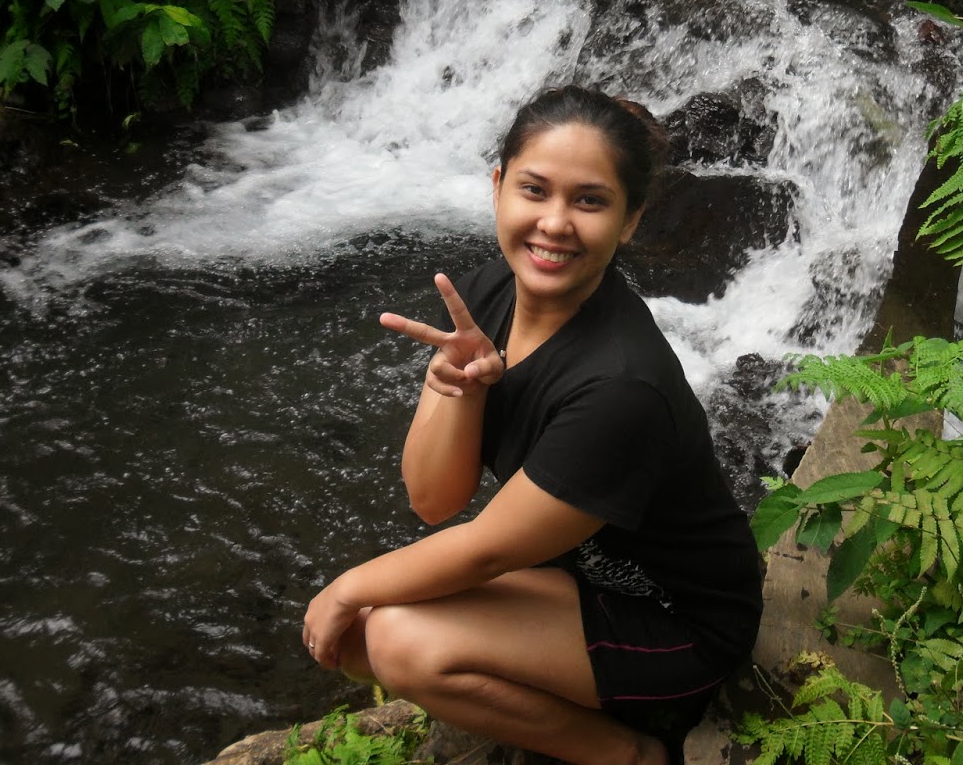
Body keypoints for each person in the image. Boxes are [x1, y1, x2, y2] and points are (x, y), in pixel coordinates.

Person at [303, 86, 762, 765]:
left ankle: (629, 754)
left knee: (393, 637)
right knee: (365, 638)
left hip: (675, 621)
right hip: (578, 580)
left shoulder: (620, 386)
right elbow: (435, 500)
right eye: (534, 190)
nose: (553, 224)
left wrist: (347, 585)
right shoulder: (488, 294)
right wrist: (451, 386)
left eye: (589, 201)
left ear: (631, 219)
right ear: (497, 188)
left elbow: (487, 548)